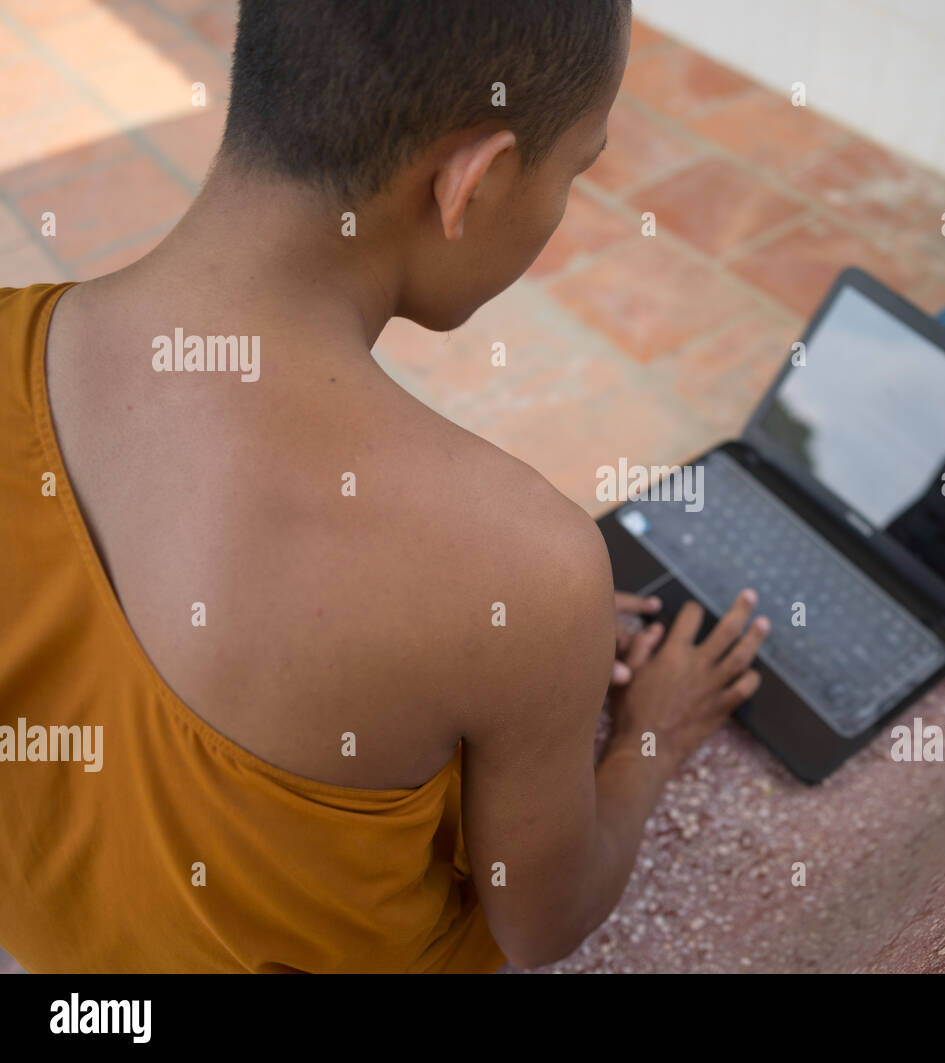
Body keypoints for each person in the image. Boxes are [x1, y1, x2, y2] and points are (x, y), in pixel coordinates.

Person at [0, 0, 768, 973]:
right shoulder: (524, 563)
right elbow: (542, 921)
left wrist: (529, 654)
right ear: (471, 182)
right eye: (576, 167)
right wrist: (651, 732)